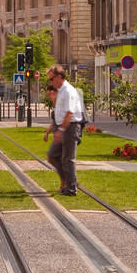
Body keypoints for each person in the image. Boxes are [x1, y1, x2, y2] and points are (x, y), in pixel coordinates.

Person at [44, 65, 85, 196]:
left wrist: (61, 130)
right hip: (63, 127)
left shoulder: (68, 91)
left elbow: (69, 113)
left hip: (70, 127)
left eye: (51, 79)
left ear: (59, 77)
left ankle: (71, 188)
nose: (50, 82)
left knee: (68, 158)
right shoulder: (61, 90)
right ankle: (69, 181)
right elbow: (60, 112)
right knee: (52, 156)